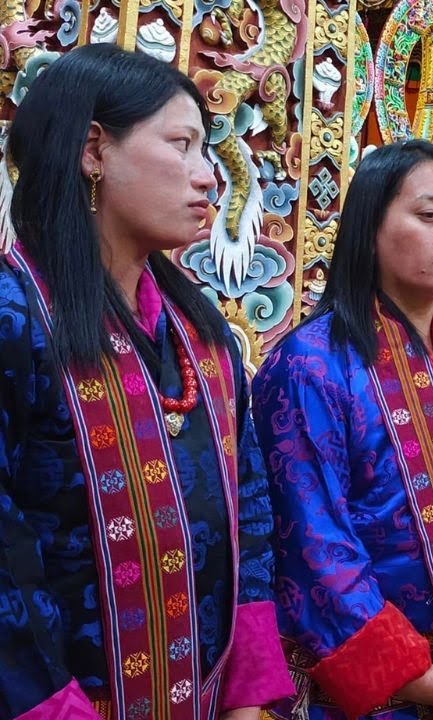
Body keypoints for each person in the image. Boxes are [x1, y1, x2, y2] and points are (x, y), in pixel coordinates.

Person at [0, 44, 291, 719]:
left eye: (205, 150)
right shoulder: (17, 318)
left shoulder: (204, 337)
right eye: (183, 145)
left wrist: (248, 693)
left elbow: (248, 508)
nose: (208, 178)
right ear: (94, 150)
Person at [252, 141, 433, 720]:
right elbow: (313, 541)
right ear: (370, 227)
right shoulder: (311, 365)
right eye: (429, 215)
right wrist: (408, 674)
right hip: (370, 690)